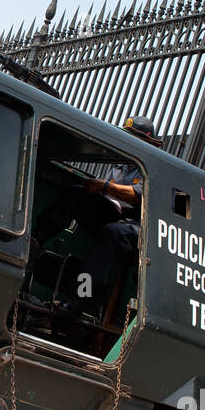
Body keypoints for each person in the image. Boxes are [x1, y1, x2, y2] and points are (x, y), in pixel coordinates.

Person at [32, 116, 163, 318]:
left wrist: (104, 186)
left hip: (136, 228)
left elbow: (138, 195)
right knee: (76, 193)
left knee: (111, 233)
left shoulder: (152, 166)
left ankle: (79, 302)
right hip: (113, 214)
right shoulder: (120, 165)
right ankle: (37, 239)